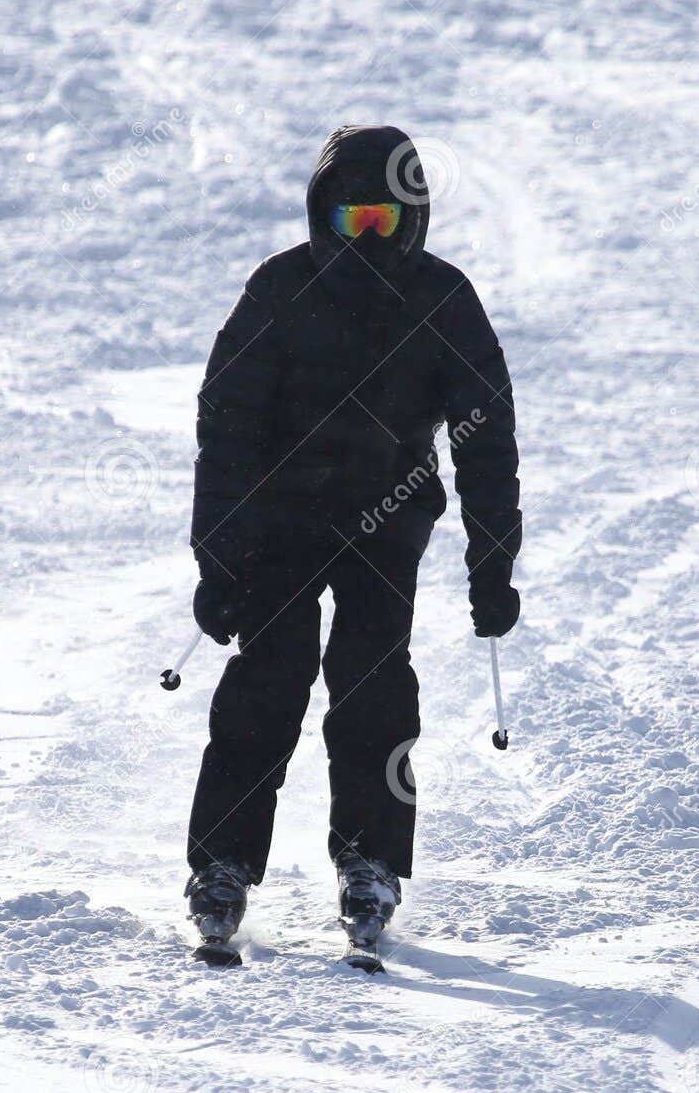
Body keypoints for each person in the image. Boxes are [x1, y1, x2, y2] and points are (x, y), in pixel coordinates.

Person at [182, 125, 521, 963]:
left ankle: (370, 859)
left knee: (373, 684)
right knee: (269, 677)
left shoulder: (442, 301)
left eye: (381, 221)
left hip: (385, 525)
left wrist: (492, 562)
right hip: (281, 528)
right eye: (347, 221)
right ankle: (222, 863)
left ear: (413, 221)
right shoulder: (279, 291)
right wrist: (219, 559)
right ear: (318, 217)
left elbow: (486, 438)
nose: (364, 240)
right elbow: (224, 432)